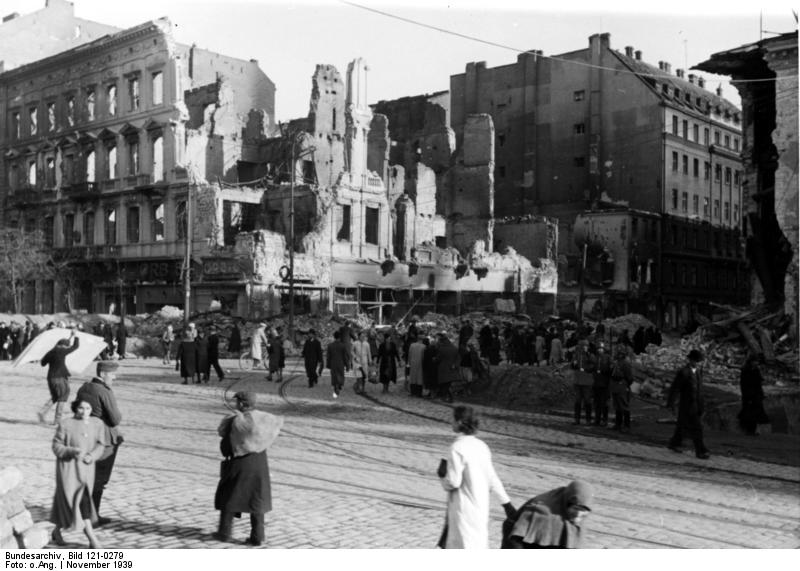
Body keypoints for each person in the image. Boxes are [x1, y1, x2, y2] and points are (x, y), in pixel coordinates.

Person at [437, 406, 515, 549]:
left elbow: (453, 482)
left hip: (463, 508)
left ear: (459, 422)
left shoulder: (456, 447)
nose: (451, 423)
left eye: (453, 420)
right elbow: (492, 478)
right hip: (480, 508)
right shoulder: (482, 446)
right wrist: (507, 504)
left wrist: (442, 475)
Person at [214, 392, 283, 546]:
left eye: (237, 402)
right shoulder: (265, 419)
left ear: (243, 404)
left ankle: (224, 533)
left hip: (239, 464)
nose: (235, 405)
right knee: (256, 500)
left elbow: (225, 444)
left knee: (229, 496)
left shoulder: (235, 421)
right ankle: (257, 537)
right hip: (260, 464)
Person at [49, 399, 106, 549]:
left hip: (87, 472)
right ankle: (94, 542)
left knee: (73, 504)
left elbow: (101, 445)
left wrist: (92, 456)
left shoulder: (97, 424)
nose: (84, 411)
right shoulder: (66, 424)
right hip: (69, 471)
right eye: (81, 408)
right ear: (75, 408)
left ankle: (56, 531)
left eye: (88, 408)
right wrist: (71, 451)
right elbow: (56, 445)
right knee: (82, 503)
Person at [76, 361, 123, 525]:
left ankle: (89, 514)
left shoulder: (84, 388)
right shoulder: (104, 391)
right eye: (112, 374)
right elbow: (115, 418)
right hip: (105, 440)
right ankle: (91, 517)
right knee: (99, 479)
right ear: (103, 374)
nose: (114, 377)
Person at [502, 480, 593, 549]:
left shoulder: (575, 516)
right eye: (576, 509)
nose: (578, 514)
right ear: (567, 503)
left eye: (583, 510)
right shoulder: (542, 512)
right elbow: (515, 539)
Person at [666, 349, 710, 459]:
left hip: (696, 404)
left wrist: (702, 404)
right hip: (686, 405)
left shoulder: (699, 371)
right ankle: (700, 450)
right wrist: (671, 403)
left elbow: (700, 390)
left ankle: (674, 443)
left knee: (682, 426)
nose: (697, 363)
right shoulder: (684, 372)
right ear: (691, 360)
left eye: (699, 361)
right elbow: (675, 388)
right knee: (696, 428)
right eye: (696, 361)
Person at [38, 332, 81, 425]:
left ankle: (42, 412)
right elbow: (75, 346)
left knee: (55, 397)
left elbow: (42, 363)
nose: (67, 348)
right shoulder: (61, 351)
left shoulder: (51, 352)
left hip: (51, 378)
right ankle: (57, 421)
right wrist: (76, 336)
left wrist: (71, 336)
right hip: (59, 377)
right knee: (62, 397)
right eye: (66, 346)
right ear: (63, 346)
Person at [738, 354, 770, 435]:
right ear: (751, 362)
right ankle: (748, 430)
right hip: (748, 394)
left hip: (756, 394)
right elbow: (744, 384)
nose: (756, 363)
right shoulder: (746, 370)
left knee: (755, 413)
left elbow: (758, 383)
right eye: (755, 361)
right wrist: (747, 395)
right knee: (749, 413)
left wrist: (761, 394)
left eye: (757, 362)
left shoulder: (755, 370)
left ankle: (753, 430)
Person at [571, 340, 596, 425]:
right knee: (577, 401)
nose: (585, 347)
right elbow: (573, 366)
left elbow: (593, 366)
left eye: (586, 346)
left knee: (587, 401)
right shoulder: (576, 356)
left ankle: (588, 419)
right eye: (583, 346)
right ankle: (576, 418)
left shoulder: (590, 355)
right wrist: (574, 364)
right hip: (578, 381)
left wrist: (586, 368)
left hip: (587, 382)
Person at [609, 348, 633, 432]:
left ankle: (627, 425)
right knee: (617, 406)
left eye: (621, 353)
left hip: (622, 385)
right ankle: (618, 424)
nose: (619, 355)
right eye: (618, 353)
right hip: (615, 385)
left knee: (624, 406)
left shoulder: (626, 364)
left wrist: (626, 384)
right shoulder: (615, 362)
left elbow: (629, 377)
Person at [435, 333, 459, 403]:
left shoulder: (442, 349)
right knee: (448, 383)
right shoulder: (454, 348)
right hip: (452, 368)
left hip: (443, 369)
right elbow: (458, 358)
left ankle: (446, 396)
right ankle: (448, 397)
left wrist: (434, 359)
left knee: (444, 384)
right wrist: (455, 365)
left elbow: (438, 359)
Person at [593, 343, 613, 426]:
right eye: (598, 348)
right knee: (597, 403)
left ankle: (605, 419)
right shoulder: (595, 358)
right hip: (596, 383)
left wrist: (606, 370)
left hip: (605, 383)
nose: (599, 350)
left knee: (604, 403)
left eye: (601, 348)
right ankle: (597, 419)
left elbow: (611, 369)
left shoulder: (608, 357)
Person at [326, 331, 351, 399]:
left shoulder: (330, 345)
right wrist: (347, 365)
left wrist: (328, 365)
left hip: (333, 363)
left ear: (334, 337)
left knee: (334, 376)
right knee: (340, 375)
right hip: (341, 363)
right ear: (339, 337)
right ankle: (339, 385)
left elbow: (328, 356)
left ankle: (335, 386)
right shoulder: (343, 346)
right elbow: (345, 357)